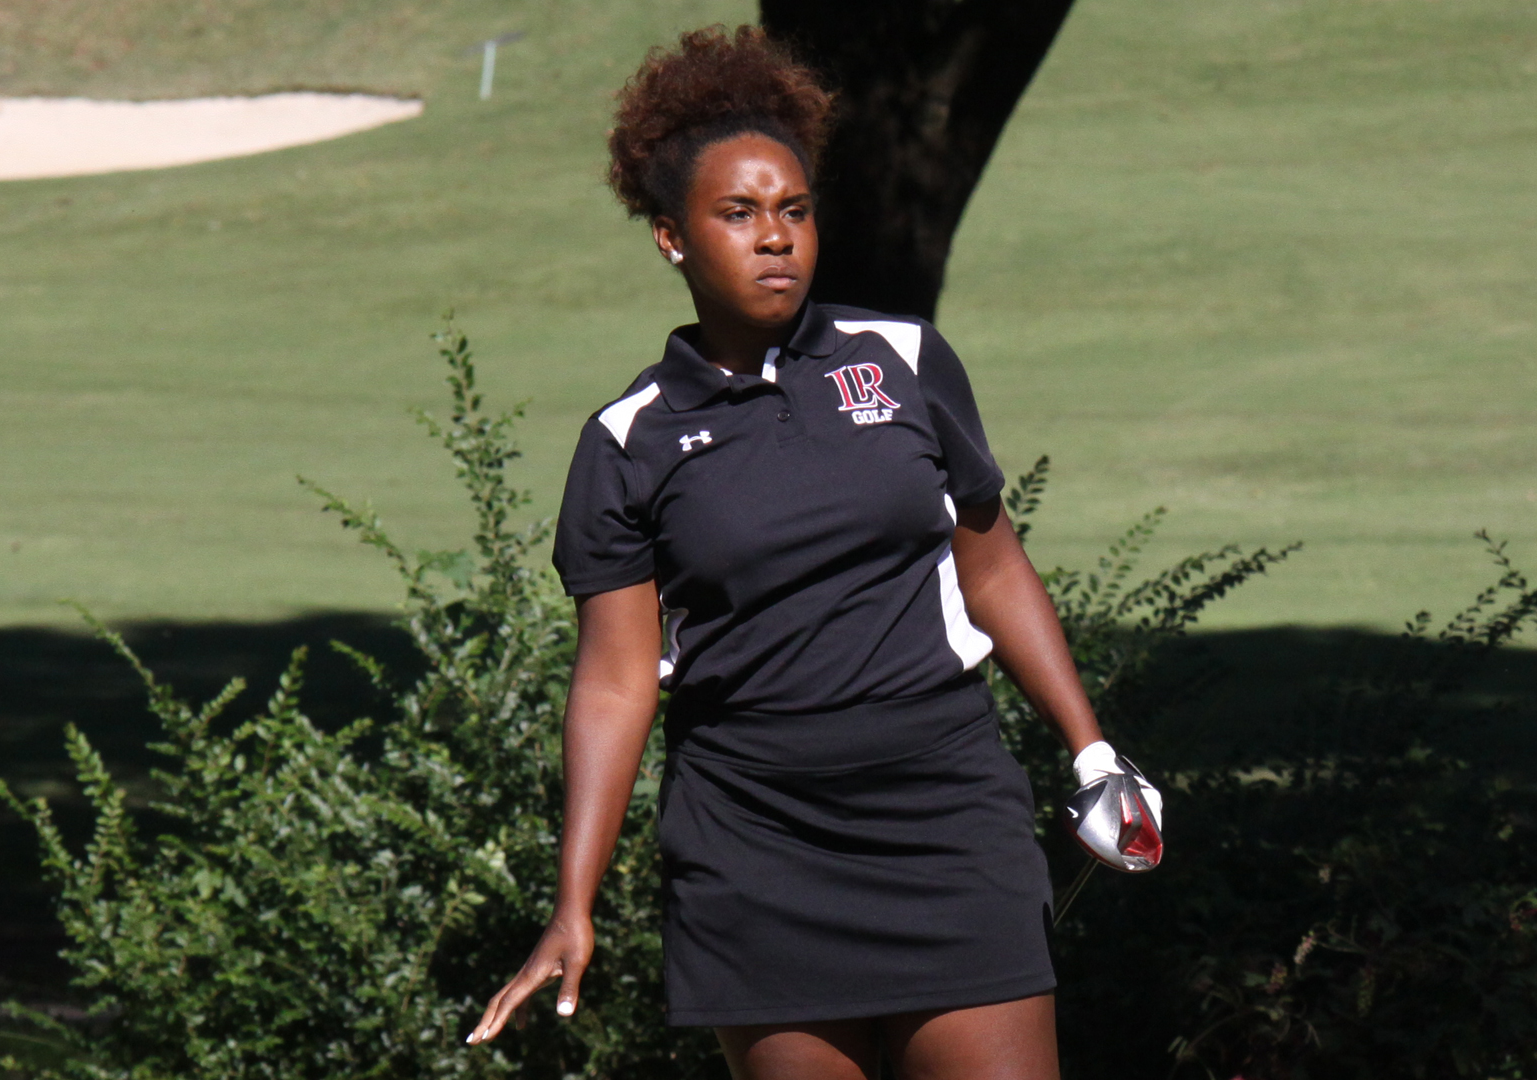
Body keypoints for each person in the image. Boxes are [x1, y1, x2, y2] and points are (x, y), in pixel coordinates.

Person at [467, 25, 1149, 1080]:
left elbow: (993, 567)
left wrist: (1092, 752)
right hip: (757, 849)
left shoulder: (905, 359)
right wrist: (574, 903)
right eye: (738, 214)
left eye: (793, 209)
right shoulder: (628, 443)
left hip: (946, 819)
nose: (775, 237)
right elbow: (614, 682)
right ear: (671, 238)